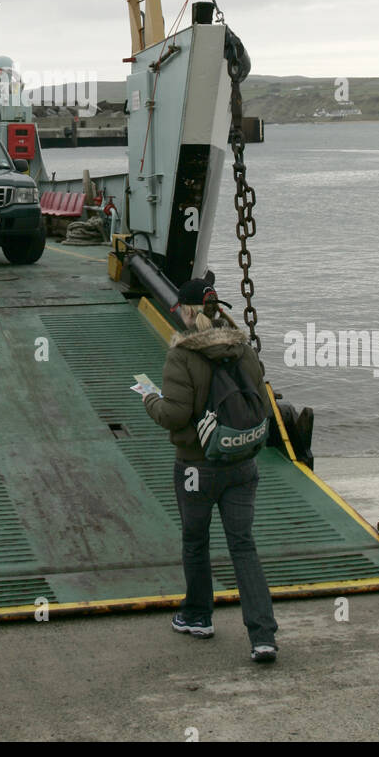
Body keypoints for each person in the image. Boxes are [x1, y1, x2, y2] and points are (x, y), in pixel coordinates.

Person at [142, 272, 279, 664]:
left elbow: (175, 414)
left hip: (196, 469)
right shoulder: (244, 348)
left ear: (185, 313)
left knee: (196, 541)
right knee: (243, 545)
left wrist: (150, 399)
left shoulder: (182, 355)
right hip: (242, 464)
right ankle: (263, 636)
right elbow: (260, 399)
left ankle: (199, 616)